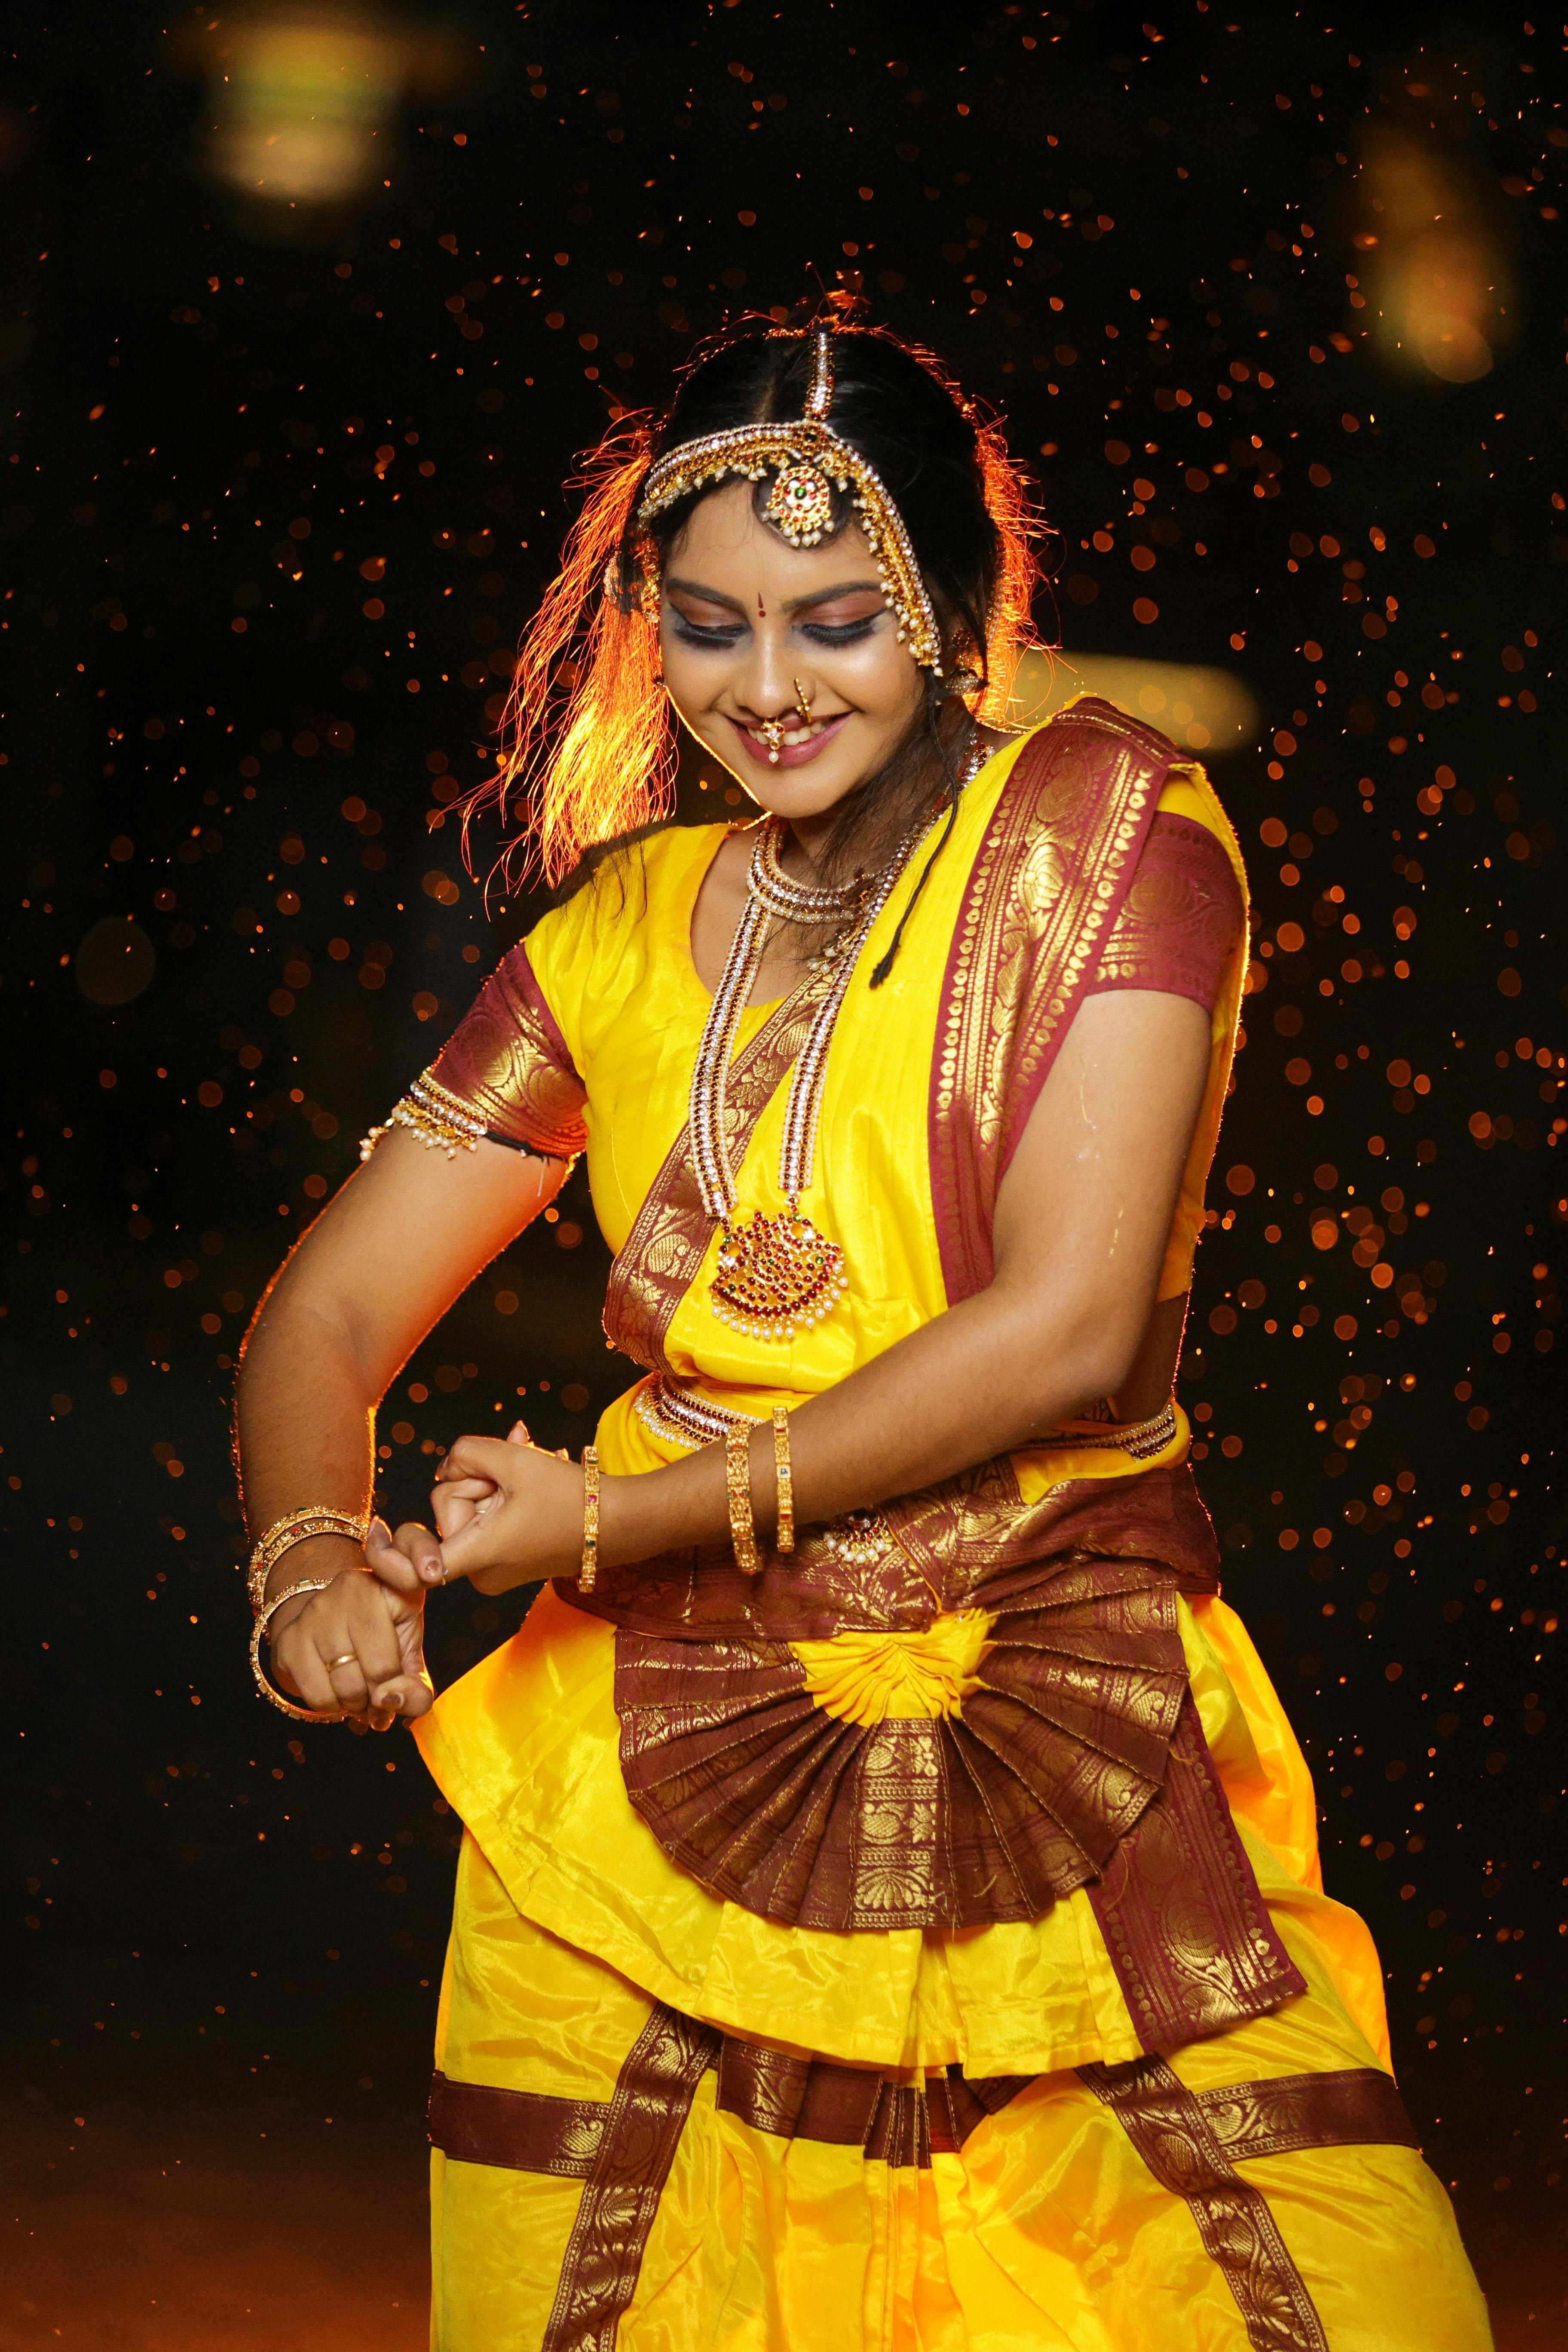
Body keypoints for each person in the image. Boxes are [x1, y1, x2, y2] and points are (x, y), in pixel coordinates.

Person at [234, 313, 1491, 2350]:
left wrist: (606, 1529)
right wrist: (306, 1557)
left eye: (838, 618)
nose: (768, 686)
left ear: (961, 610)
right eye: (712, 629)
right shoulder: (624, 931)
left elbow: (1071, 1333)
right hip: (642, 1775)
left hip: (1061, 1712)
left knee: (1338, 2301)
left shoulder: (1115, 833)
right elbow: (335, 1302)